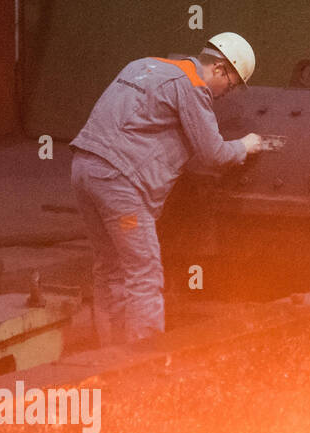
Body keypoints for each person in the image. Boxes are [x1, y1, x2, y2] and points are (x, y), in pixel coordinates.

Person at [70, 32, 266, 344]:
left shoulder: (143, 65)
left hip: (84, 170)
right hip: (120, 187)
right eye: (229, 87)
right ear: (220, 69)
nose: (225, 95)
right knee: (144, 276)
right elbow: (214, 154)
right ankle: (144, 369)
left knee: (110, 269)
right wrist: (246, 145)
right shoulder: (191, 86)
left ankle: (107, 358)